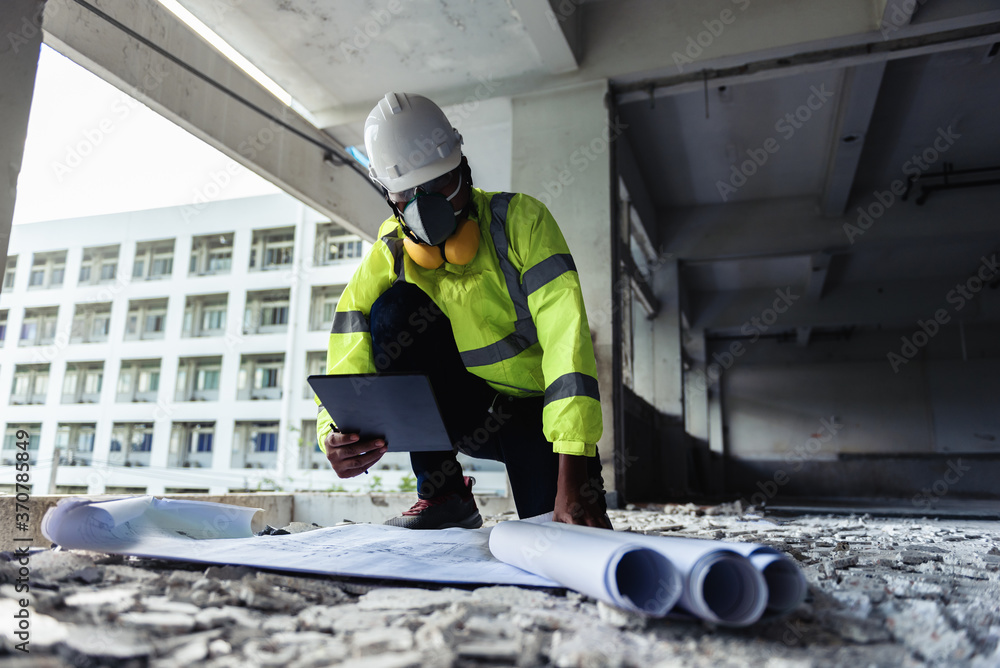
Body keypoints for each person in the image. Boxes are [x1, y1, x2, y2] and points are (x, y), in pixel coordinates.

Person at [316, 92, 611, 530]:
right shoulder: (391, 251)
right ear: (389, 196)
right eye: (407, 194)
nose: (425, 206)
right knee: (393, 310)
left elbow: (567, 343)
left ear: (463, 169)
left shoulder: (521, 222)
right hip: (463, 414)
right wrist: (336, 430)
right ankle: (444, 492)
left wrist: (573, 465)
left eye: (439, 184)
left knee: (561, 533)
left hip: (536, 417)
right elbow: (349, 337)